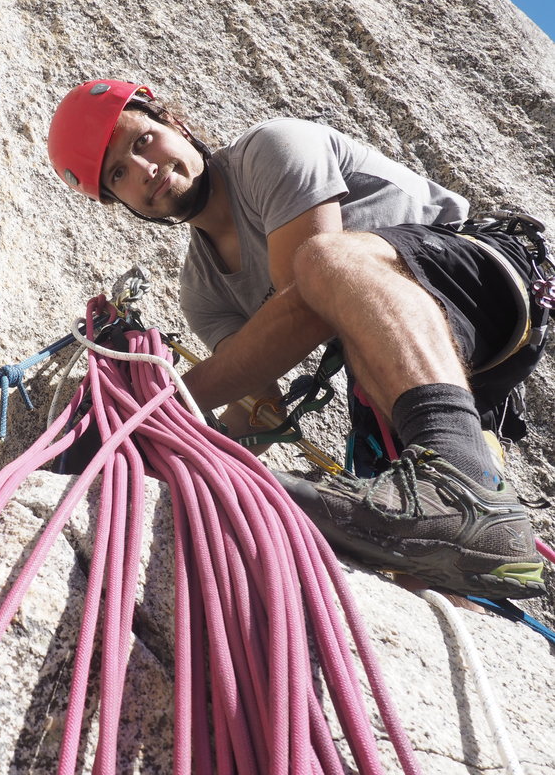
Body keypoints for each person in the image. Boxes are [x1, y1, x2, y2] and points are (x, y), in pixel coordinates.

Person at [46, 78, 551, 600]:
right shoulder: (202, 290)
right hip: (405, 366)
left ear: (175, 123)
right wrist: (168, 461)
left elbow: (304, 304)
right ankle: (470, 510)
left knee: (322, 261)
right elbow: (253, 403)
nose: (145, 169)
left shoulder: (272, 147)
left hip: (476, 274)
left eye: (142, 141)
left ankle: (460, 472)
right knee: (417, 563)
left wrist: (153, 407)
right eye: (120, 174)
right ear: (116, 200)